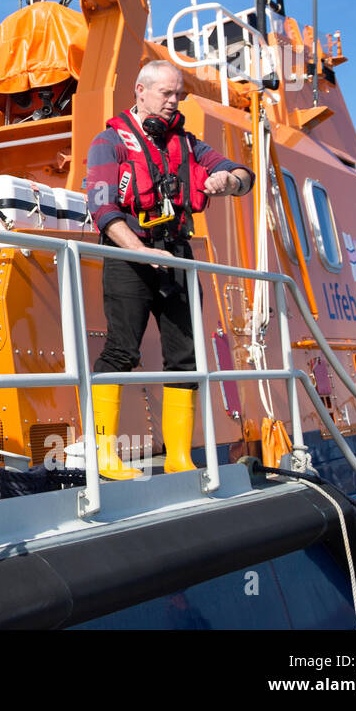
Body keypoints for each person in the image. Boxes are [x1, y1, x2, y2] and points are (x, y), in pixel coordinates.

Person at [84, 60, 253, 479]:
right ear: (140, 92)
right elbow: (103, 208)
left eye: (179, 95)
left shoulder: (190, 144)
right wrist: (141, 250)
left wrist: (228, 181)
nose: (174, 102)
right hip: (129, 255)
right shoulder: (109, 143)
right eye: (166, 94)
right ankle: (104, 455)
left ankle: (179, 456)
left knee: (186, 356)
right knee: (121, 351)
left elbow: (243, 175)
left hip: (177, 254)